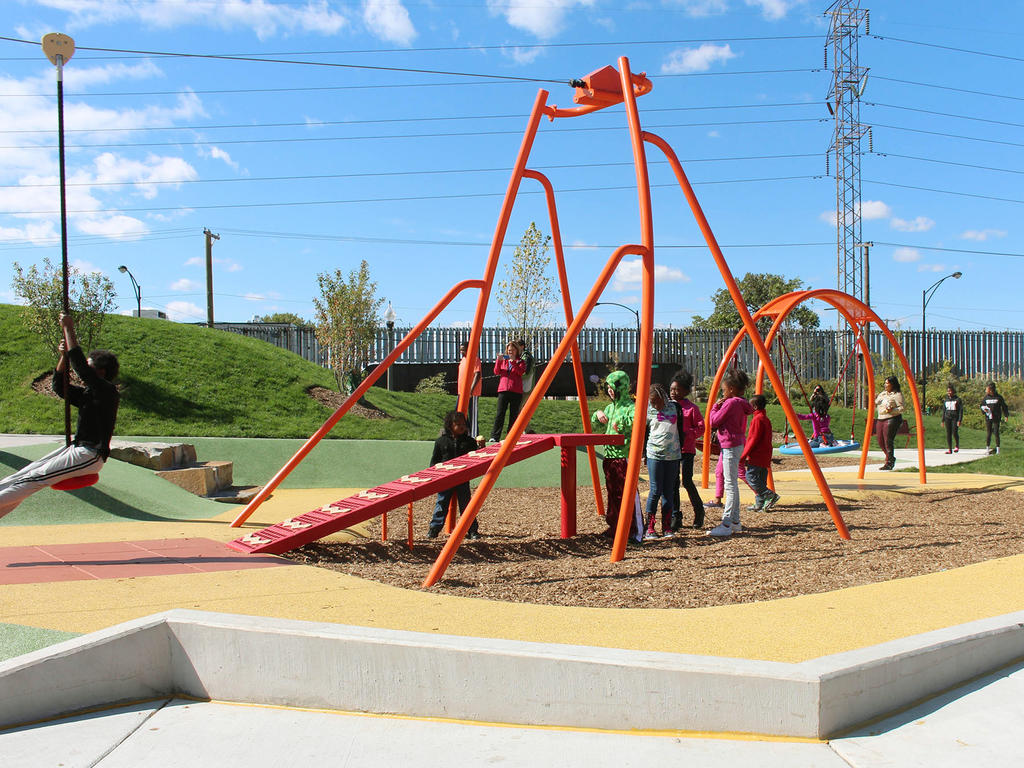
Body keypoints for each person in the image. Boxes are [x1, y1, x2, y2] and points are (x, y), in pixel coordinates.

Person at [0, 313, 120, 520]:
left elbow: (80, 367)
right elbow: (59, 387)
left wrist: (68, 328)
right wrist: (64, 356)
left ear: (101, 372)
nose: (84, 370)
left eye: (90, 366)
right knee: (22, 476)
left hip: (89, 455)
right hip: (77, 449)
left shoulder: (107, 392)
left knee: (32, 480)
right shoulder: (90, 394)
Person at [592, 370, 643, 542]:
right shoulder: (610, 408)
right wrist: (598, 414)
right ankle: (615, 528)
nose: (610, 391)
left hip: (624, 456)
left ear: (621, 387)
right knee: (613, 493)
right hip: (609, 456)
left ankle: (635, 531)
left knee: (627, 494)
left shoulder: (631, 407)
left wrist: (620, 423)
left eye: (613, 387)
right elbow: (595, 423)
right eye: (608, 387)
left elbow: (636, 422)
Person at [706, 368, 753, 538]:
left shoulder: (730, 403)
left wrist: (715, 407)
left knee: (730, 485)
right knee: (732, 483)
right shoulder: (741, 403)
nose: (723, 393)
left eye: (724, 390)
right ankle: (735, 521)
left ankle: (726, 523)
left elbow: (713, 421)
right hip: (736, 443)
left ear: (731, 389)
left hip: (730, 445)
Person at [427, 410, 482, 539]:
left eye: (463, 424)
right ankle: (434, 529)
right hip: (445, 478)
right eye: (458, 424)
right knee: (441, 503)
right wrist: (435, 473)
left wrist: (481, 448)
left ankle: (472, 530)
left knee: (466, 504)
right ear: (450, 425)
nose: (462, 427)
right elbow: (435, 461)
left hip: (462, 477)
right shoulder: (441, 441)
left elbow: (478, 457)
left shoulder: (469, 442)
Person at [643, 383, 681, 539]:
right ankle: (649, 526)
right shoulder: (647, 409)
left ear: (662, 398)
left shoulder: (675, 407)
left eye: (657, 402)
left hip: (673, 455)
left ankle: (667, 526)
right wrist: (643, 453)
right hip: (655, 454)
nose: (655, 405)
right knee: (655, 490)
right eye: (652, 402)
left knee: (668, 491)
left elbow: (681, 428)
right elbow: (643, 431)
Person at [669, 371, 705, 531]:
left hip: (686, 450)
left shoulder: (691, 408)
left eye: (677, 389)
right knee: (673, 482)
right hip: (671, 450)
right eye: (671, 389)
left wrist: (689, 433)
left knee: (687, 481)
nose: (673, 392)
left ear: (685, 391)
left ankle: (699, 511)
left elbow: (701, 427)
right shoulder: (668, 406)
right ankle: (675, 515)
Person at [741, 394, 779, 513]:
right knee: (761, 478)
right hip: (765, 453)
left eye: (750, 406)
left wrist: (743, 455)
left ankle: (768, 494)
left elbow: (753, 439)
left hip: (757, 454)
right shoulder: (765, 419)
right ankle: (760, 503)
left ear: (755, 407)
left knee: (750, 477)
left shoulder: (757, 419)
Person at [489, 340, 526, 443]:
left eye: (513, 350)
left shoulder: (521, 362)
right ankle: (495, 436)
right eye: (509, 350)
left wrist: (513, 363)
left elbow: (520, 372)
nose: (511, 352)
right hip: (503, 390)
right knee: (500, 413)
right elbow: (496, 371)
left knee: (513, 414)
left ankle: (511, 436)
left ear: (517, 351)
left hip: (516, 391)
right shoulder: (504, 361)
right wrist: (498, 361)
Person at [874, 376, 904, 471]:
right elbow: (876, 402)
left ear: (892, 384)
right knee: (880, 441)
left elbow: (901, 408)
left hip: (891, 419)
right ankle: (890, 457)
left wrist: (892, 410)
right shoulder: (882, 394)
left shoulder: (897, 395)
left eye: (887, 383)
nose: (885, 385)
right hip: (881, 418)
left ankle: (889, 462)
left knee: (888, 440)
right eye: (885, 383)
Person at [457, 341, 482, 438]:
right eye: (461, 350)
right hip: (461, 392)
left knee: (472, 415)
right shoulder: (463, 360)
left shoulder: (474, 359)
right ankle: (465, 433)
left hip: (472, 393)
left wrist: (471, 390)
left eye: (463, 350)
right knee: (459, 413)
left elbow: (477, 374)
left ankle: (474, 436)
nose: (461, 352)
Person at [981, 381, 1010, 455]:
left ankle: (998, 450)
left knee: (996, 432)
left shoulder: (999, 397)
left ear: (991, 390)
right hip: (988, 417)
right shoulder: (986, 398)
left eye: (987, 389)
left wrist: (1006, 415)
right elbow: (982, 405)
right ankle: (987, 449)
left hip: (996, 417)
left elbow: (1004, 406)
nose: (986, 390)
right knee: (989, 433)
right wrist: (984, 410)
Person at [942, 384, 963, 454]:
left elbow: (960, 410)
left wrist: (959, 420)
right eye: (948, 391)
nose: (949, 392)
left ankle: (957, 445)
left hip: (955, 418)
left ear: (953, 391)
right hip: (947, 417)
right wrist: (943, 420)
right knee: (948, 433)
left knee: (954, 432)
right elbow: (944, 410)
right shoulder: (946, 400)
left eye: (950, 391)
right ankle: (949, 449)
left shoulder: (957, 399)